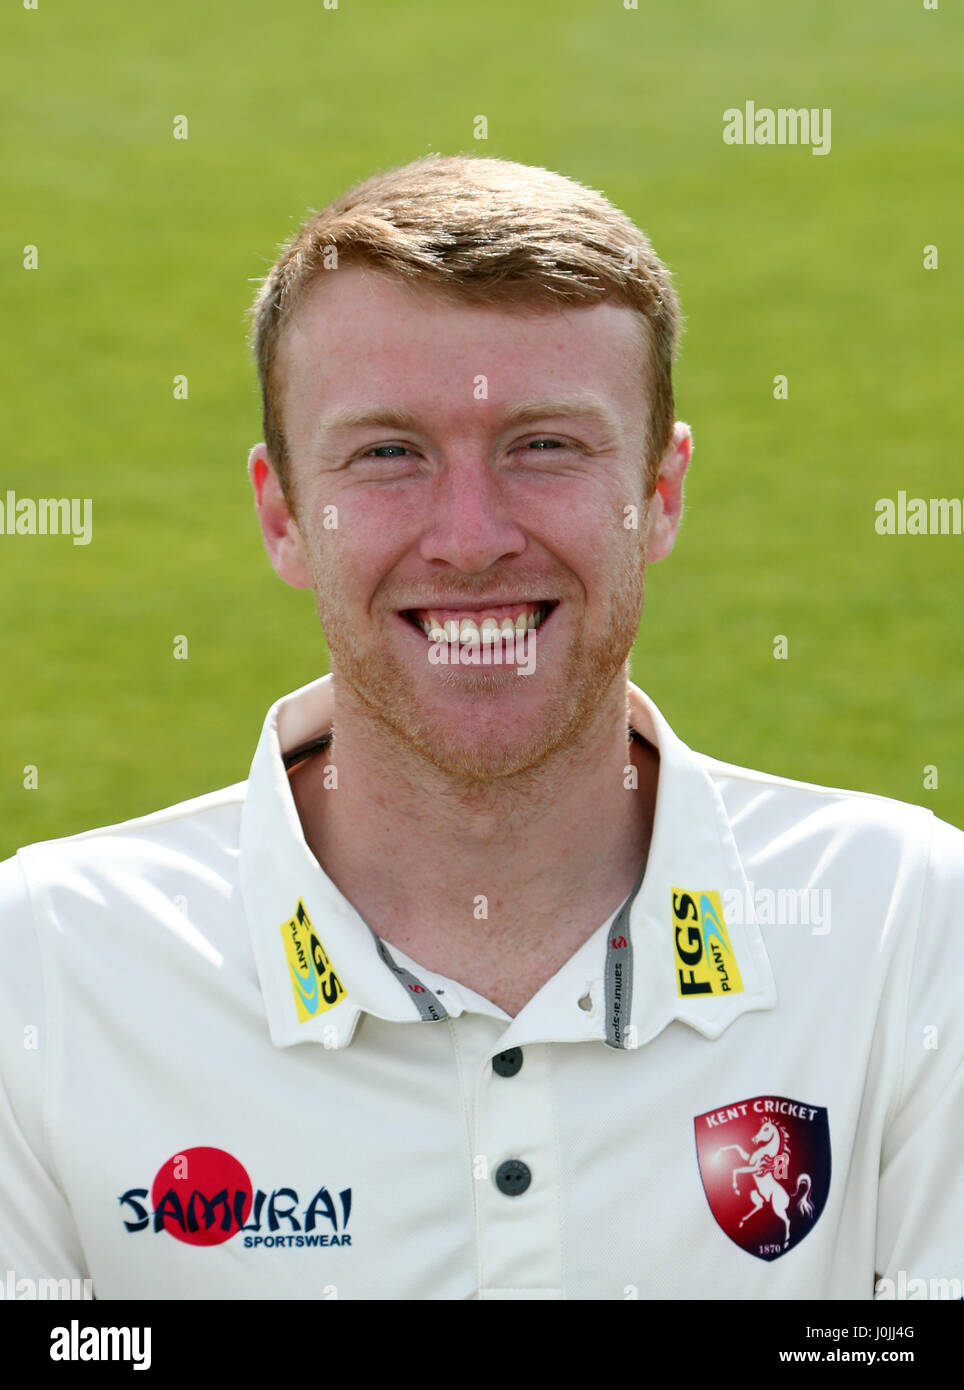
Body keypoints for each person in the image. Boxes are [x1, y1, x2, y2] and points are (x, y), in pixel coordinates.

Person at [0, 154, 960, 1302]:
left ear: (660, 492)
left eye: (544, 444)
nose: (468, 537)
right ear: (284, 513)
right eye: (389, 453)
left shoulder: (910, 928)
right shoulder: (44, 972)